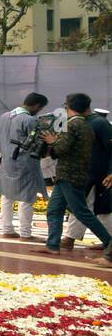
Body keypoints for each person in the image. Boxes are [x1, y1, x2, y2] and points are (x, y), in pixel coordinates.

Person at [38, 93, 112, 258]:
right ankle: (53, 244)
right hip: (72, 174)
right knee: (54, 209)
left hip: (70, 174)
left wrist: (51, 141)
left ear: (67, 106)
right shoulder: (86, 124)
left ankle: (109, 242)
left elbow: (60, 150)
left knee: (81, 212)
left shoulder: (73, 125)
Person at [0, 93, 48, 240]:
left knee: (7, 195)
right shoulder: (30, 120)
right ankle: (25, 233)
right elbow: (38, 145)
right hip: (25, 164)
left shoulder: (4, 116)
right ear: (37, 106)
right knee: (27, 197)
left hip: (7, 162)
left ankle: (7, 230)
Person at [62, 103, 112, 250]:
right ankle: (107, 240)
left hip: (97, 174)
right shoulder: (86, 123)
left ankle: (71, 238)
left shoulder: (100, 125)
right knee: (94, 206)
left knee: (84, 205)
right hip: (89, 173)